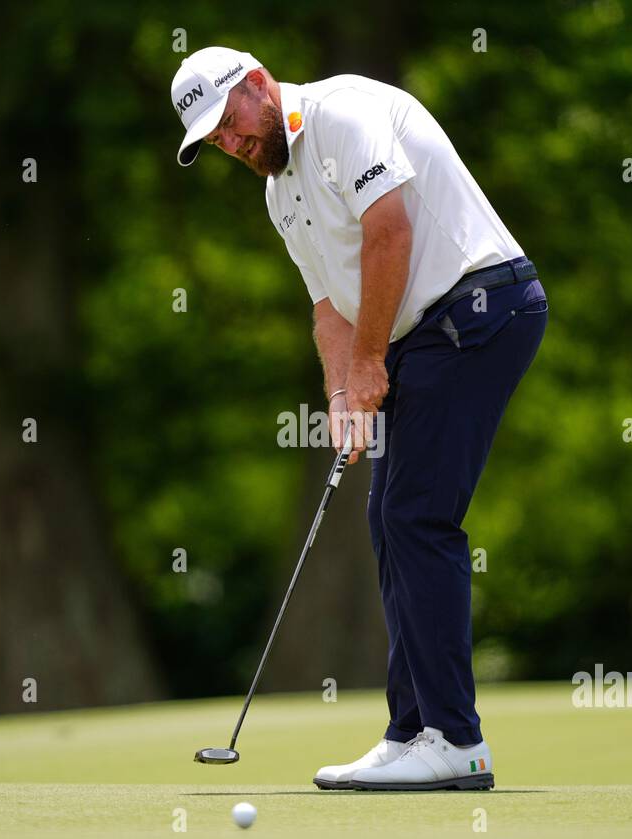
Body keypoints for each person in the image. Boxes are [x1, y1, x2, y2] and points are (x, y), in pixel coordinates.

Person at [171, 46, 548, 791]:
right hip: (426, 331)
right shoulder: (280, 194)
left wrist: (372, 364)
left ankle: (454, 739)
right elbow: (327, 303)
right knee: (389, 516)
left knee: (415, 515)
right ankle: (412, 730)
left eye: (231, 124)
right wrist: (343, 394)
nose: (231, 144)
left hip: (480, 304)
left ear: (257, 85)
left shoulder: (344, 112)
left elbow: (390, 233)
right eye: (214, 141)